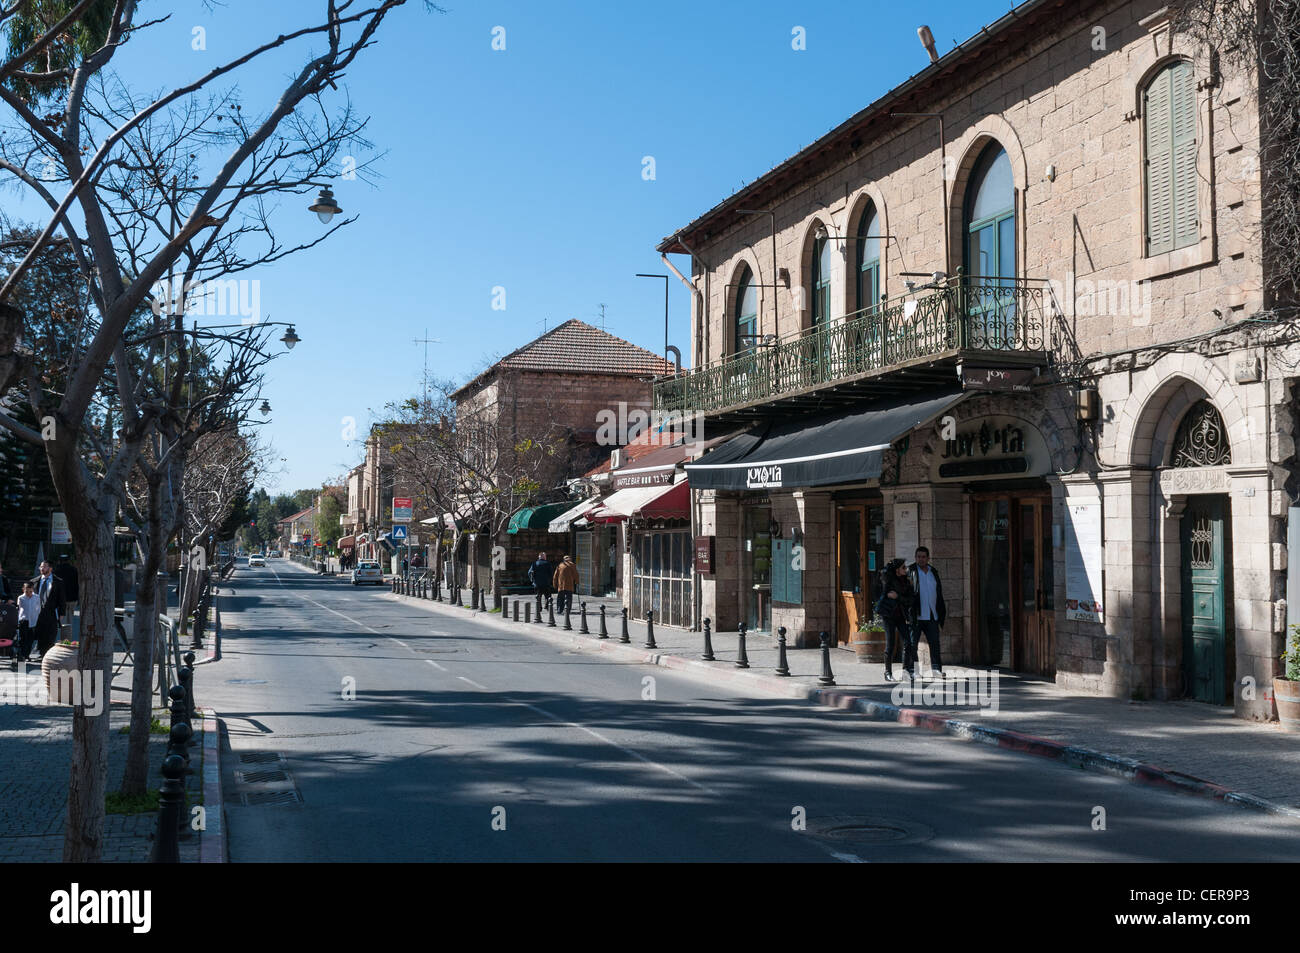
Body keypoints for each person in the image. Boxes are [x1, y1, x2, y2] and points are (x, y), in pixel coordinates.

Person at [908, 545, 946, 678]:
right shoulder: (910, 571)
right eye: (918, 557)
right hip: (916, 614)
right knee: (913, 644)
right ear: (915, 558)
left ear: (928, 558)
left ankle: (936, 669)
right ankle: (913, 671)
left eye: (924, 557)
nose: (921, 559)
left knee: (935, 643)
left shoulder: (933, 572)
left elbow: (938, 593)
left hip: (931, 614)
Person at [873, 558, 914, 682]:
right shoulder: (887, 581)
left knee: (907, 642)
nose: (905, 569)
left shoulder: (907, 582)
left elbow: (910, 600)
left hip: (901, 616)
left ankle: (905, 671)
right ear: (897, 570)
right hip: (889, 616)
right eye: (903, 567)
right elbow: (878, 593)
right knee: (890, 644)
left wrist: (898, 597)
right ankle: (887, 672)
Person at [30, 560, 65, 659]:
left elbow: (62, 598)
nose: (41, 569)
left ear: (50, 568)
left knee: (50, 633)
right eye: (40, 567)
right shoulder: (34, 581)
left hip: (51, 611)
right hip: (37, 612)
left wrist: (62, 613)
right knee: (40, 632)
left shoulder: (58, 582)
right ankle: (40, 653)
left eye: (44, 567)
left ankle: (47, 655)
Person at [15, 581, 40, 666]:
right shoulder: (21, 598)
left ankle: (27, 654)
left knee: (30, 639)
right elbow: (19, 609)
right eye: (26, 591)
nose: (29, 593)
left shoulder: (37, 597)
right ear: (23, 590)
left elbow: (38, 608)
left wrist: (36, 616)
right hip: (24, 620)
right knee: (23, 638)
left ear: (33, 590)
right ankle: (22, 655)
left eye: (30, 591)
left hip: (33, 621)